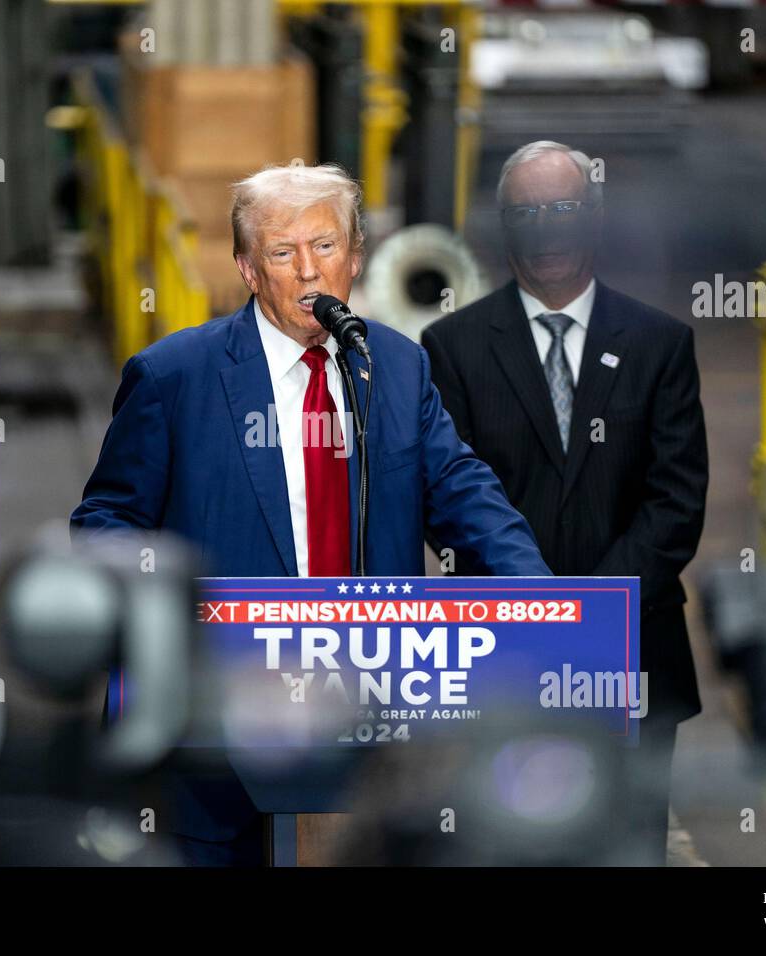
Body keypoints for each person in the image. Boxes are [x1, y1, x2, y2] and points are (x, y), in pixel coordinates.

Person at [72, 162, 551, 864]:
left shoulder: (395, 366)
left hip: (369, 735)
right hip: (220, 746)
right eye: (281, 252)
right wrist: (167, 613)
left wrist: (542, 601)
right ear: (246, 267)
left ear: (356, 257)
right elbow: (104, 526)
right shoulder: (174, 377)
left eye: (325, 247)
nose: (308, 273)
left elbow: (460, 489)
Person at [421, 141, 709, 865]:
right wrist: (538, 615)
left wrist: (592, 614)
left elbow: (676, 503)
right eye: (527, 213)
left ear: (595, 215)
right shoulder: (451, 347)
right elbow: (444, 503)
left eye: (562, 209)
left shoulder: (659, 344)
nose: (546, 229)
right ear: (503, 224)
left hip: (636, 654)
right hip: (501, 658)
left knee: (631, 847)